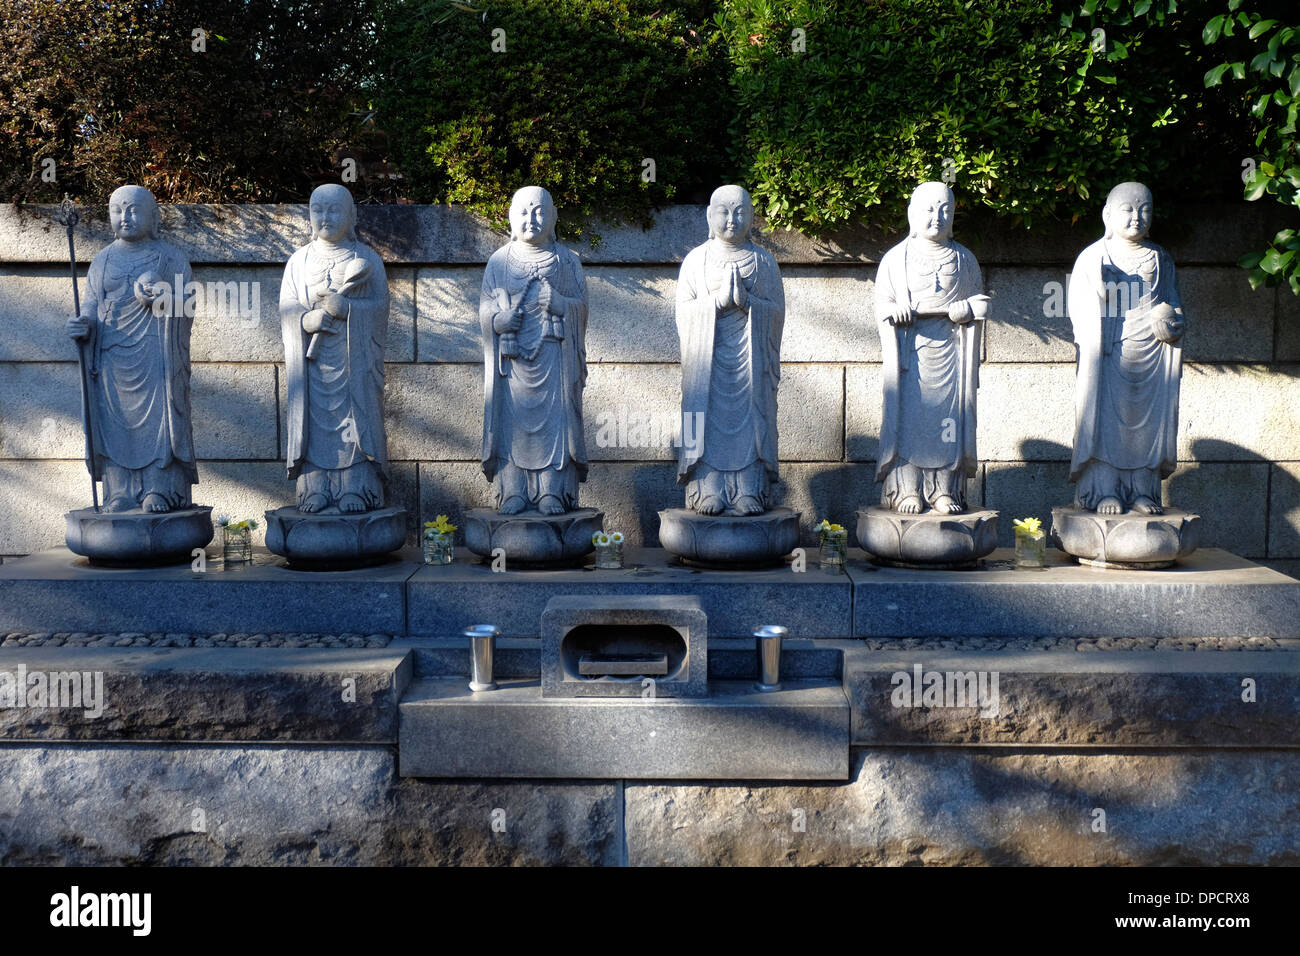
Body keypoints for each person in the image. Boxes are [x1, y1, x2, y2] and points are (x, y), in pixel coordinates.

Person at [66, 184, 198, 513]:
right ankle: (118, 491)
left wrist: (164, 299)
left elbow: (190, 304)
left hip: (156, 354)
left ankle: (159, 488)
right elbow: (92, 307)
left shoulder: (170, 257)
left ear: (154, 218)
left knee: (159, 422)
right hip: (110, 357)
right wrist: (82, 327)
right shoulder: (102, 261)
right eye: (117, 210)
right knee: (113, 423)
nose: (125, 217)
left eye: (134, 209)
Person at [1066, 182, 1184, 515]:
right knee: (1106, 427)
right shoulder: (1094, 256)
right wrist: (1100, 299)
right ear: (1108, 214)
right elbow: (1077, 306)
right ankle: (1105, 492)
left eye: (1144, 209)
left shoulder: (1161, 257)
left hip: (1152, 355)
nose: (1137, 217)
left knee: (1146, 429)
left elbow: (1173, 302)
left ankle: (1143, 493)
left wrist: (1171, 320)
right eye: (1128, 210)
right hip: (1109, 354)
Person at [875, 181, 989, 515]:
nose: (936, 217)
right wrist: (893, 312)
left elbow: (980, 301)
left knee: (948, 424)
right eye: (928, 209)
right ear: (912, 213)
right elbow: (882, 302)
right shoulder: (896, 259)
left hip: (951, 354)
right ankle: (908, 489)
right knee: (908, 422)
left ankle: (944, 490)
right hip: (910, 356)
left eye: (945, 209)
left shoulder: (963, 259)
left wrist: (967, 309)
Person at [675, 184, 785, 515]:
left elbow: (777, 312)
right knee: (702, 419)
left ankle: (749, 490)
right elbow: (683, 312)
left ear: (752, 217)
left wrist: (750, 304)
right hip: (706, 364)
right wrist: (717, 303)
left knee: (753, 419)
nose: (732, 219)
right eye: (724, 211)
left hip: (751, 360)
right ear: (710, 216)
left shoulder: (763, 262)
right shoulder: (696, 261)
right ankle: (708, 489)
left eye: (740, 212)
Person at [280, 184, 391, 513]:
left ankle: (356, 488)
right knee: (314, 424)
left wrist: (349, 311)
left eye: (334, 210)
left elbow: (380, 308)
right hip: (313, 368)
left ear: (352, 215)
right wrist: (306, 320)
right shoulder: (298, 262)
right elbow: (287, 307)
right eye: (318, 210)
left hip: (353, 363)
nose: (325, 217)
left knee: (354, 422)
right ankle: (315, 488)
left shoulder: (367, 260)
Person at [479, 186, 589, 515]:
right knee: (511, 422)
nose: (532, 219)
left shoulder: (566, 260)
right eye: (524, 212)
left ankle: (552, 492)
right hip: (511, 362)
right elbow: (485, 307)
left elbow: (581, 307)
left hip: (554, 357)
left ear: (553, 217)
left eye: (540, 211)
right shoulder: (499, 261)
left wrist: (562, 305)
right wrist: (498, 321)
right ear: (511, 218)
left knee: (556, 422)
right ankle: (513, 490)